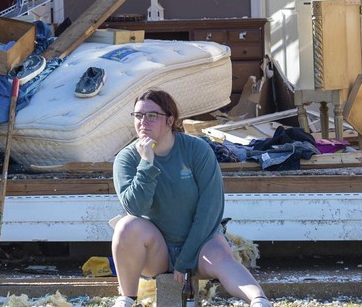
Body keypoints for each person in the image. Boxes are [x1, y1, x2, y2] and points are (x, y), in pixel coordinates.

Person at [111, 89, 271, 307]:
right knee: (126, 226)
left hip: (201, 243)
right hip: (157, 250)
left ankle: (259, 300)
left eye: (151, 115)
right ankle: (127, 298)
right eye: (138, 116)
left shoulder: (197, 149)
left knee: (222, 257)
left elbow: (210, 209)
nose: (143, 122)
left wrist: (186, 258)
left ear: (170, 120)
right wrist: (146, 164)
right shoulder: (127, 158)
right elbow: (135, 207)